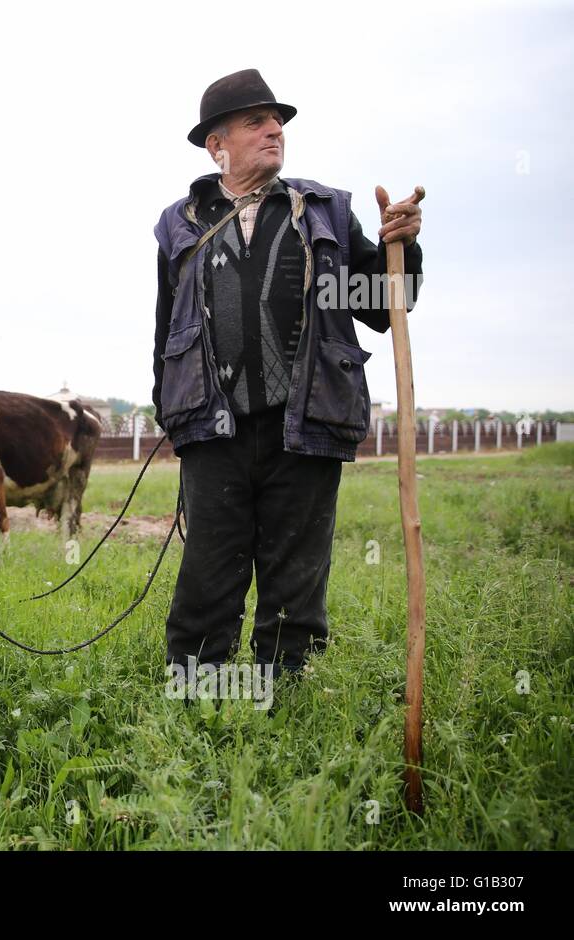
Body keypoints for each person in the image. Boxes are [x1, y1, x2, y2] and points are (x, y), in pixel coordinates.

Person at [151, 68, 424, 681]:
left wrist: (400, 248)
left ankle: (284, 688)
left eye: (277, 121)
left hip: (307, 417)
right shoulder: (181, 222)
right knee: (209, 566)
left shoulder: (324, 210)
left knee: (296, 567)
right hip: (212, 425)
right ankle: (199, 689)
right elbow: (167, 326)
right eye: (255, 121)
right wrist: (171, 412)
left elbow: (382, 306)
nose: (274, 129)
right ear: (215, 144)